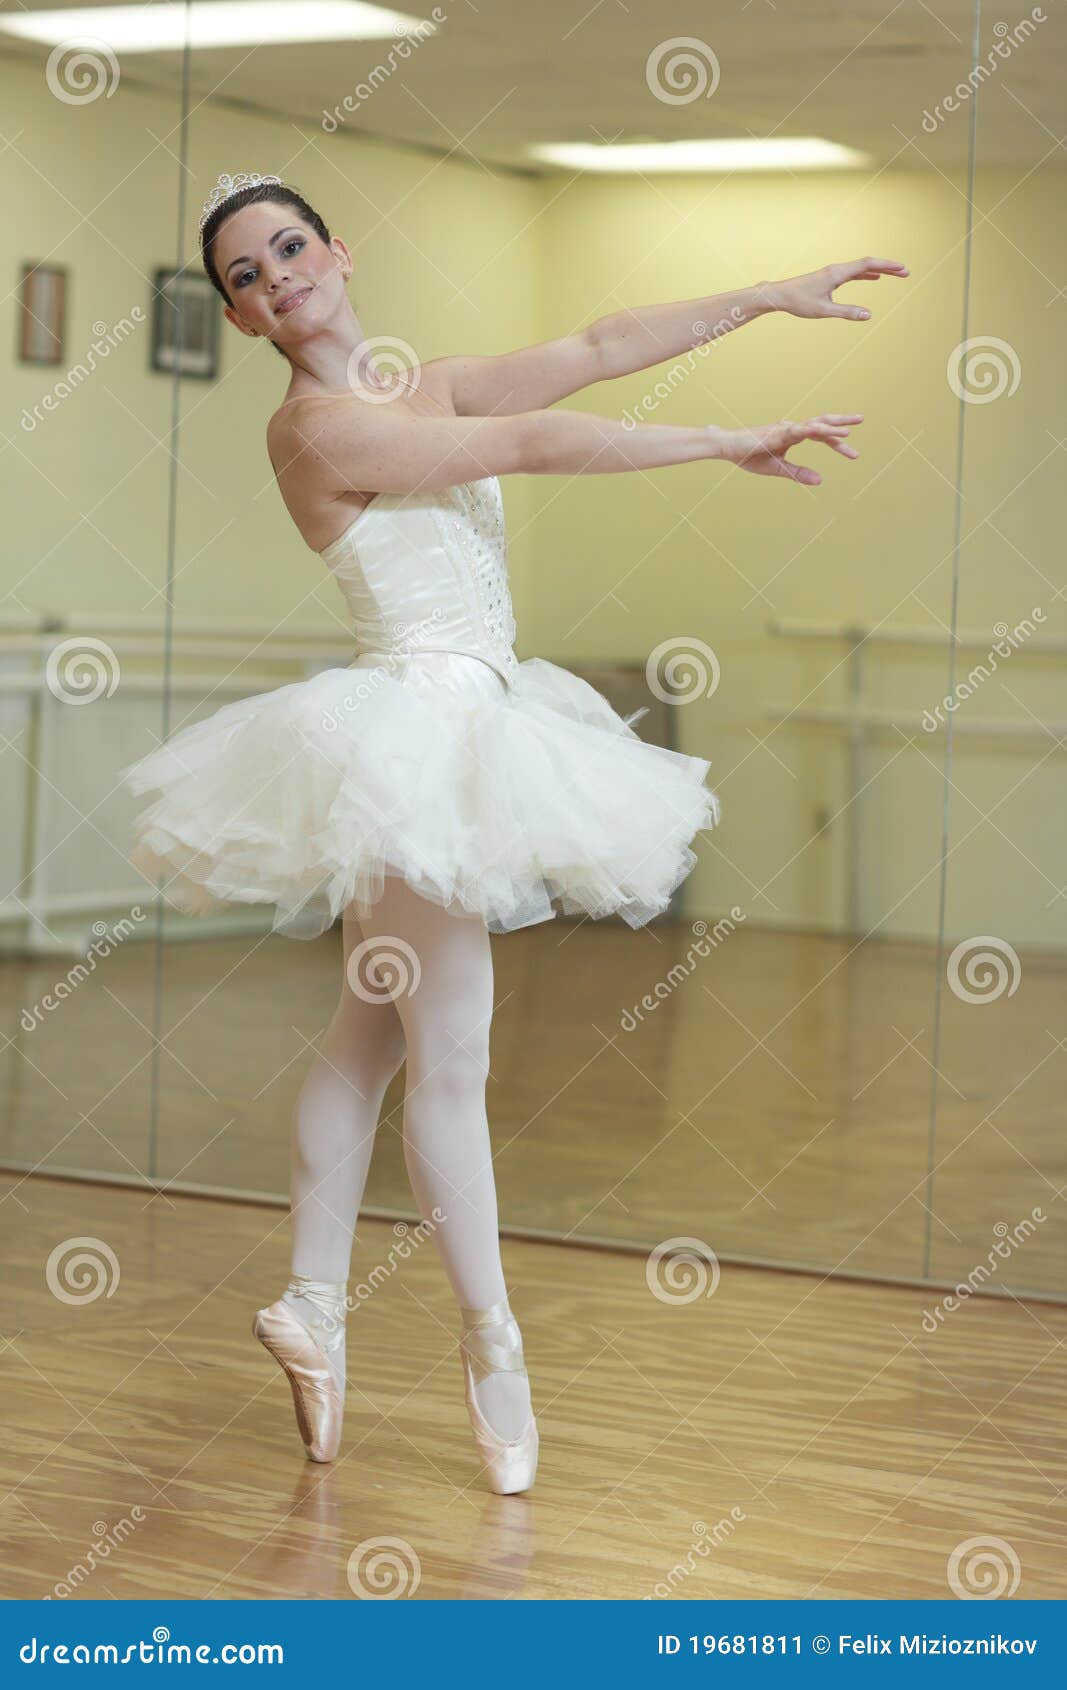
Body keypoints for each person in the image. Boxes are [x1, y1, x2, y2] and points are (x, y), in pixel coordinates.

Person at [120, 169, 906, 1492]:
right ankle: (494, 1346)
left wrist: (768, 296)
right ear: (242, 320)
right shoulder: (317, 431)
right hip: (418, 731)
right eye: (245, 278)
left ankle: (315, 1304)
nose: (274, 279)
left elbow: (593, 352)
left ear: (338, 249)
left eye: (288, 248)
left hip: (460, 722)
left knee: (373, 1032)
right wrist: (726, 440)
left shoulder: (419, 383)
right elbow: (536, 441)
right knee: (452, 1053)